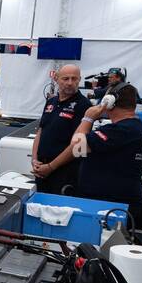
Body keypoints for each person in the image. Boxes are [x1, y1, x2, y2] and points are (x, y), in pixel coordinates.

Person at [70, 83, 142, 225]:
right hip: (120, 201)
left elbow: (77, 147)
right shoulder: (138, 127)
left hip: (108, 206)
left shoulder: (121, 130)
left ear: (109, 102)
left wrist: (88, 118)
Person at [32, 63, 91, 193]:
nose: (70, 83)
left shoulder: (84, 105)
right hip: (41, 169)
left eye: (74, 79)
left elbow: (79, 147)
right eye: (65, 79)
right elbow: (41, 131)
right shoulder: (51, 102)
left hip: (65, 173)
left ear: (79, 79)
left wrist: (51, 167)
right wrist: (34, 159)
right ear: (56, 79)